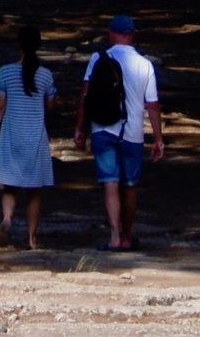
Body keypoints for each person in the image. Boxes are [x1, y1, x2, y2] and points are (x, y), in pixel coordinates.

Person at [74, 15, 164, 252]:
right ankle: (127, 236)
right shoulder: (145, 65)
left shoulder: (98, 58)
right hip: (133, 132)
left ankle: (114, 236)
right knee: (130, 185)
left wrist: (79, 128)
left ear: (111, 33)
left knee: (110, 183)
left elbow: (85, 96)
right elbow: (152, 105)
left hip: (102, 128)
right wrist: (158, 139)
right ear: (133, 35)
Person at [0, 25, 56, 249]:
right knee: (35, 190)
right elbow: (49, 106)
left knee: (10, 184)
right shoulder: (46, 75)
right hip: (35, 134)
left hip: (11, 133)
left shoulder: (5, 72)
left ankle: (7, 219)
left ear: (18, 45)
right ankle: (31, 239)